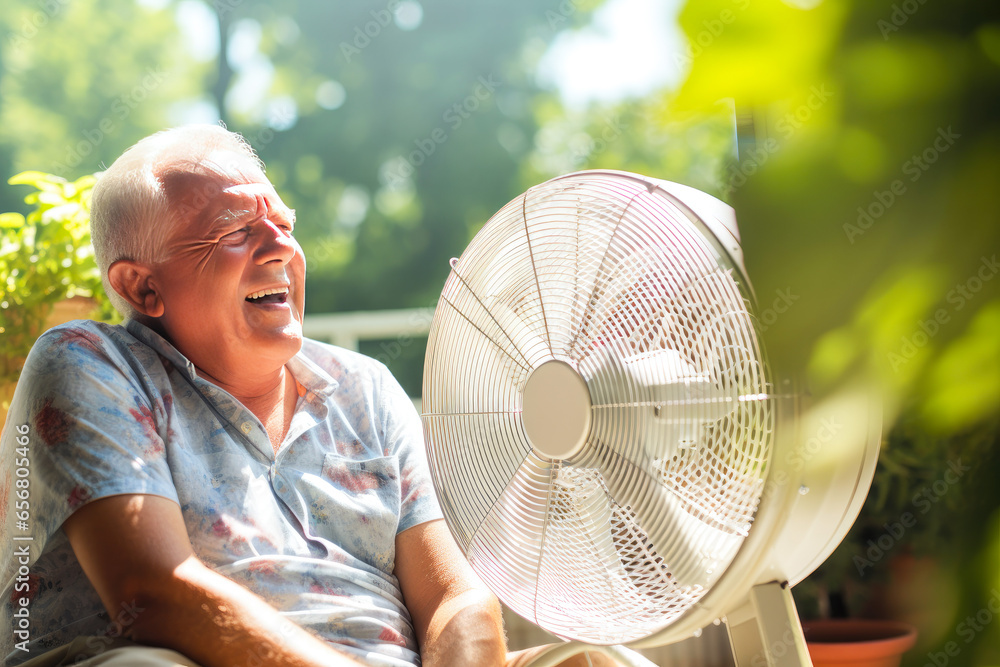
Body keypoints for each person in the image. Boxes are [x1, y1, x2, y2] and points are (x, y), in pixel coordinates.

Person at [0, 126, 616, 667]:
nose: (281, 250)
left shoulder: (366, 388)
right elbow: (151, 590)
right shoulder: (89, 361)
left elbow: (454, 597)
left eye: (284, 226)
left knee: (594, 662)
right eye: (236, 232)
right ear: (142, 287)